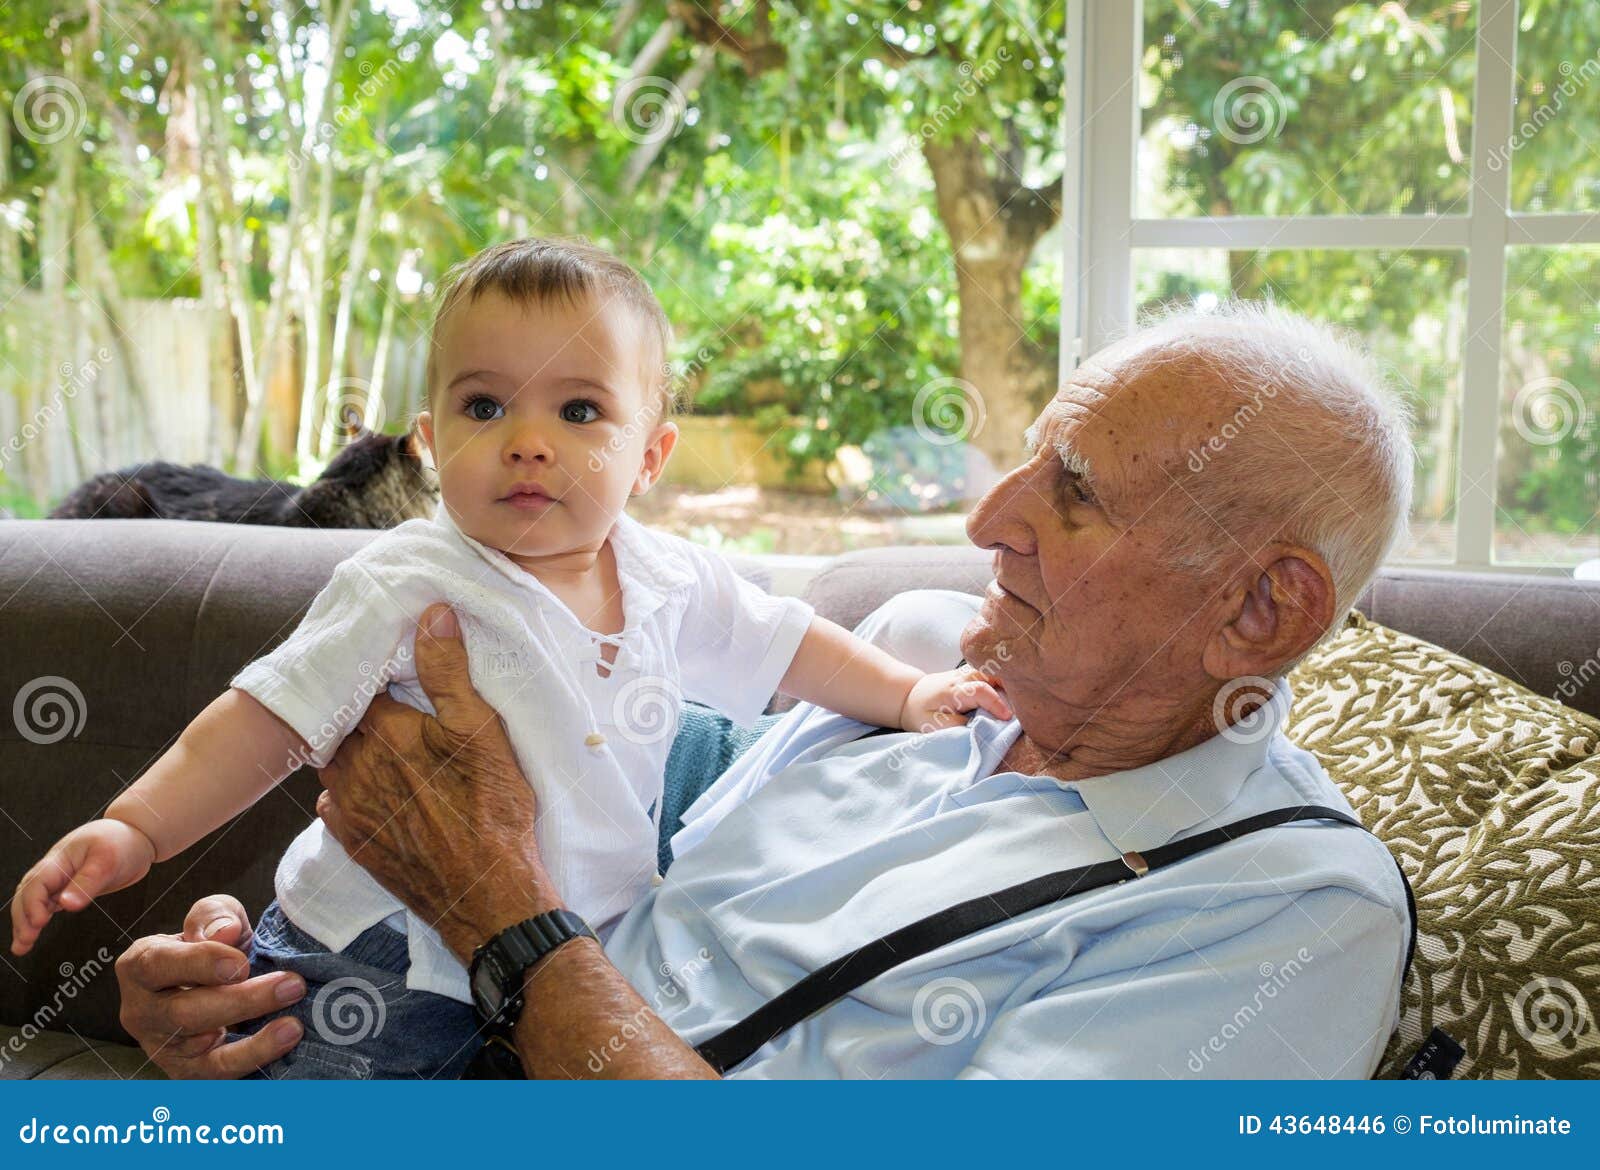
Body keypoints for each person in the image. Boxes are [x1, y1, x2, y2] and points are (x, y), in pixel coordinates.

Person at [114, 303, 1417, 1078]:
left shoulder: (1286, 911)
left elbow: (506, 873)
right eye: (1024, 462)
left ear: (1263, 606)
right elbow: (597, 810)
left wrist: (496, 909)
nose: (988, 518)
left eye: (1073, 494)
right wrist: (299, 967)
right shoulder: (920, 665)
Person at [10, 238, 1009, 1079]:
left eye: (579, 413)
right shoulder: (409, 578)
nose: (529, 442)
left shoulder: (670, 576)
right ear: (431, 443)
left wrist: (910, 691)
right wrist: (135, 828)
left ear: (649, 456)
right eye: (487, 408)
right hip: (376, 960)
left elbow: (788, 645)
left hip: (572, 957)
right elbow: (266, 719)